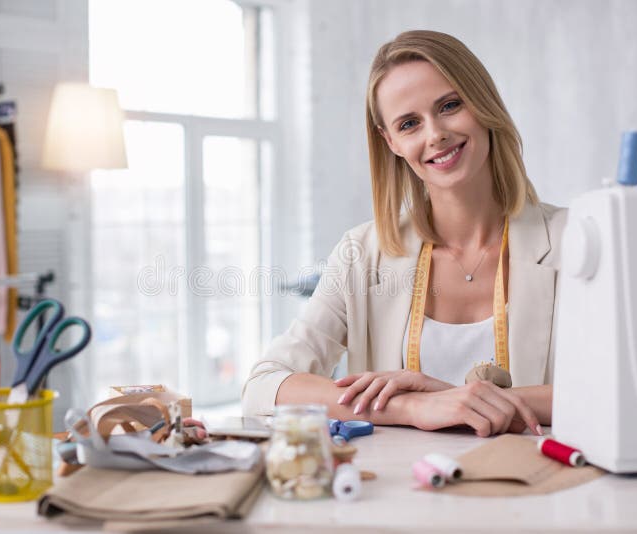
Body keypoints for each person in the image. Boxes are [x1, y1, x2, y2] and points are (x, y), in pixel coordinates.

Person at [242, 30, 566, 437]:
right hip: (399, 493)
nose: (435, 135)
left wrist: (453, 397)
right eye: (410, 123)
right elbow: (264, 385)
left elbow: (618, 389)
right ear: (390, 140)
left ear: (483, 103)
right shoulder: (361, 254)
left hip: (536, 492)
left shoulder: (572, 243)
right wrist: (414, 405)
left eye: (449, 105)